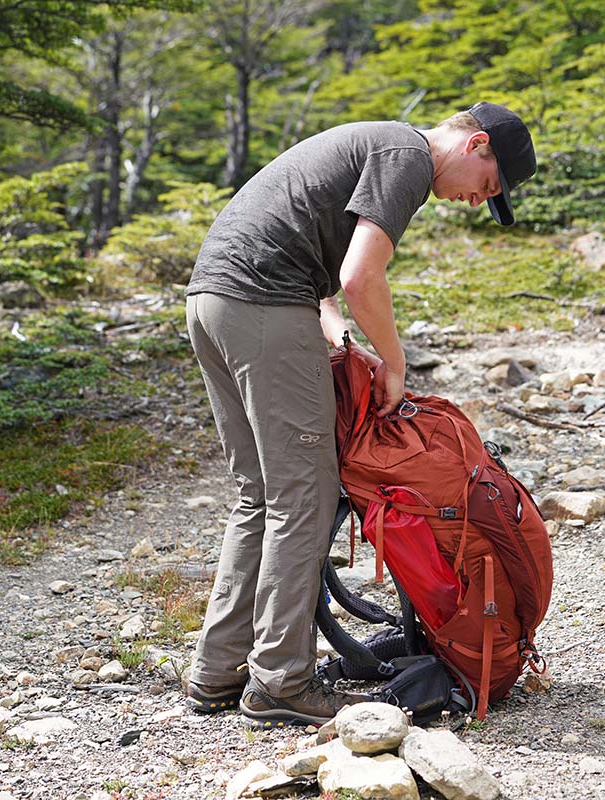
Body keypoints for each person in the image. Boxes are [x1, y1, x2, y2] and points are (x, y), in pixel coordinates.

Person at [183, 102, 537, 727]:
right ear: (475, 145)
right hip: (264, 302)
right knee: (304, 496)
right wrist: (395, 363)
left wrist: (344, 338)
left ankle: (218, 671)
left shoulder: (377, 145)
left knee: (261, 494)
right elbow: (359, 273)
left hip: (214, 300)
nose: (477, 201)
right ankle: (281, 682)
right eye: (487, 186)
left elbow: (319, 264)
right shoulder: (406, 157)